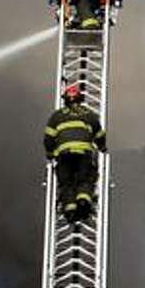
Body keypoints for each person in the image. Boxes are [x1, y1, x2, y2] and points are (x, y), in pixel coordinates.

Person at [44, 83, 106, 223]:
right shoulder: (89, 115)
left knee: (66, 183)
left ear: (65, 99)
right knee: (85, 179)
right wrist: (102, 147)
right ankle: (83, 200)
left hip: (64, 155)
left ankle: (70, 209)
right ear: (81, 99)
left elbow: (48, 138)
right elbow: (100, 135)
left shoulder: (57, 116)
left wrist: (50, 153)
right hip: (84, 154)